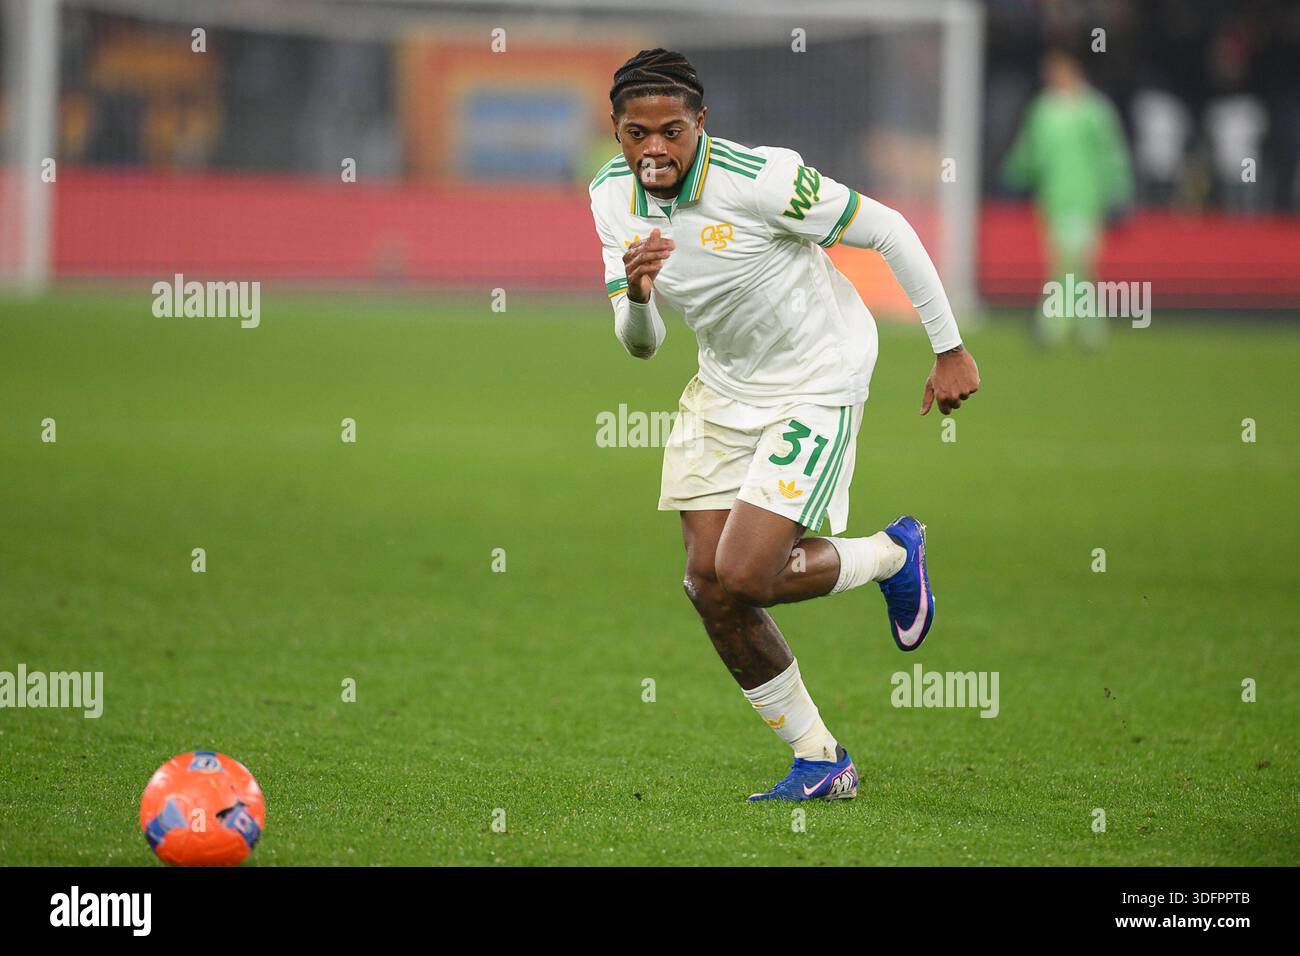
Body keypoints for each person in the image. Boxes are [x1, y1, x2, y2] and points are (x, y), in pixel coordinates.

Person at [589, 49, 980, 802]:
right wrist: (637, 295)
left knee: (747, 573)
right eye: (638, 134)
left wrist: (949, 348)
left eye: (673, 130)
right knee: (708, 586)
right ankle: (820, 758)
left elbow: (891, 229)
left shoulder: (763, 181)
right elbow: (641, 346)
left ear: (702, 124)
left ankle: (892, 556)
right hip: (724, 386)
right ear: (616, 131)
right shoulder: (611, 198)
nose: (656, 150)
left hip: (816, 379)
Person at [1003, 46, 1134, 348]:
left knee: (1074, 262)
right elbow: (1030, 151)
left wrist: (1118, 191)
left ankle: (1055, 327)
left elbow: (1112, 154)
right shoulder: (1043, 109)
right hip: (1053, 198)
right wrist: (1015, 175)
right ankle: (1088, 330)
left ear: (1073, 69)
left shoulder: (1094, 110)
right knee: (1067, 262)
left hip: (1087, 197)